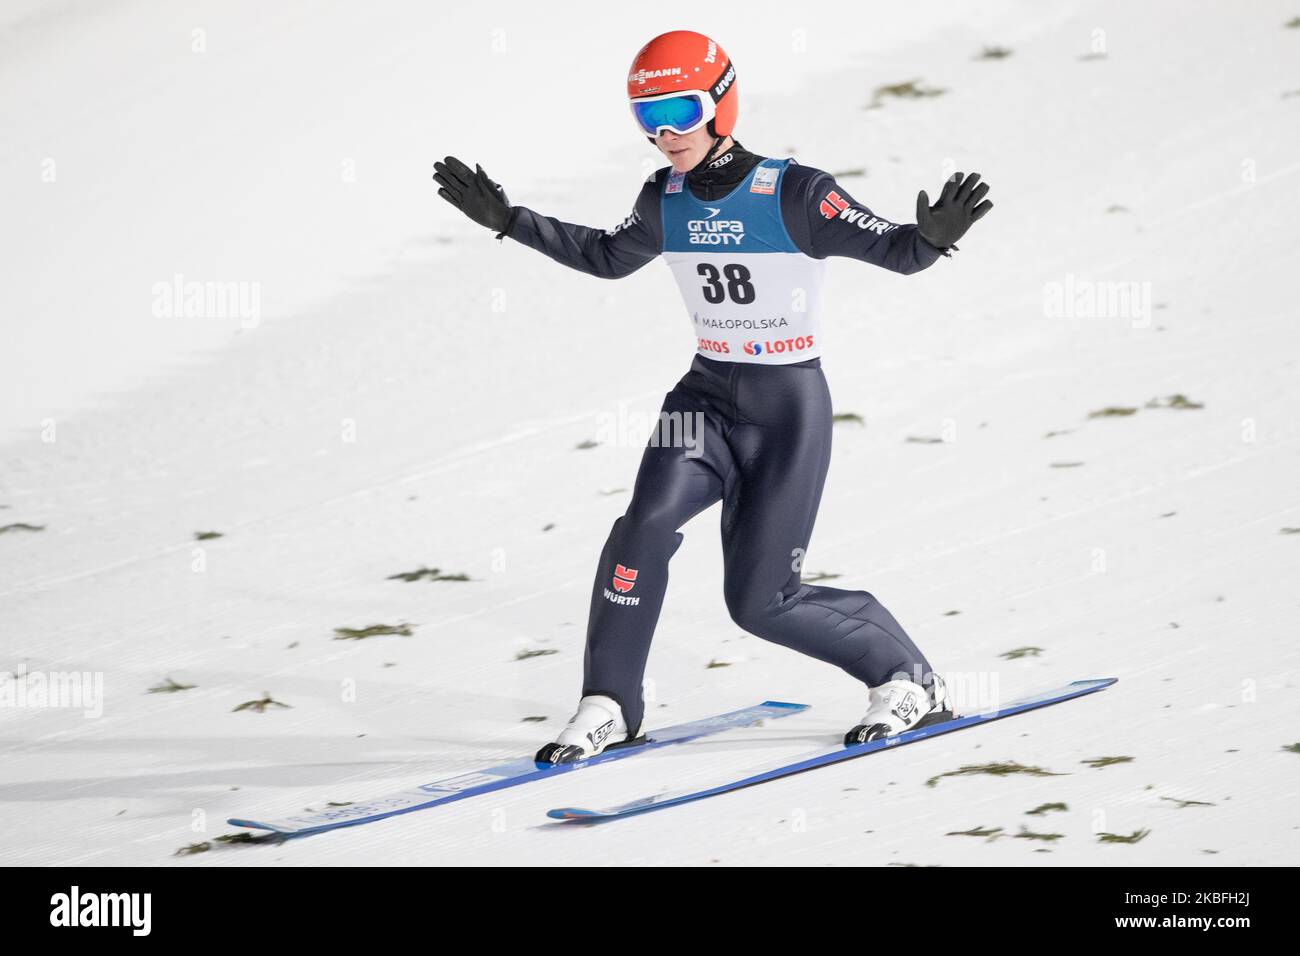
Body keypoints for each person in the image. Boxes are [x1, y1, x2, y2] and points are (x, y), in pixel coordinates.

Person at [434, 29, 993, 763]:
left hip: (786, 412)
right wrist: (511, 221)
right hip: (701, 402)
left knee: (760, 604)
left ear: (722, 104)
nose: (665, 134)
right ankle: (609, 703)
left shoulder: (796, 193)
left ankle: (904, 676)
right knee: (640, 529)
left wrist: (930, 238)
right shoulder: (662, 198)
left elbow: (896, 249)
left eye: (679, 110)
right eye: (646, 116)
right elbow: (607, 257)